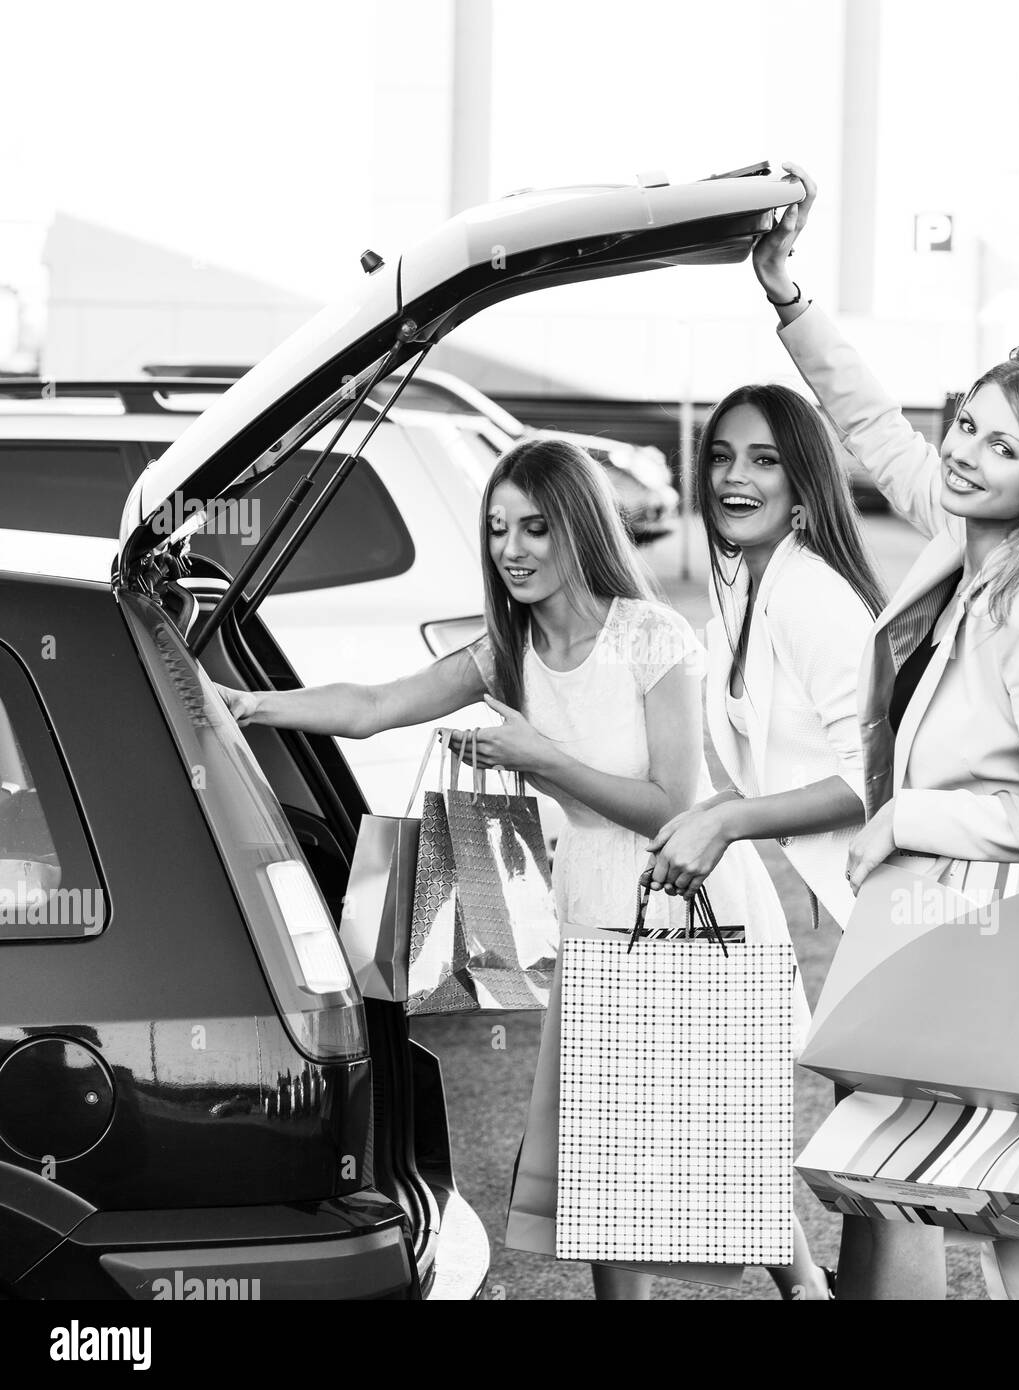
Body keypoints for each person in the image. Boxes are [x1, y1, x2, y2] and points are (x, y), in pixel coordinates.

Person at [733, 162, 1019, 1300]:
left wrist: (909, 816)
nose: (961, 453)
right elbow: (869, 424)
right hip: (965, 925)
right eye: (965, 426)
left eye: (1000, 448)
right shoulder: (966, 550)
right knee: (1006, 1205)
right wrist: (790, 300)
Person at [215, 435, 820, 1301]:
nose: (512, 549)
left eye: (534, 527)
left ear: (579, 526)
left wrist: (539, 756)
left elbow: (672, 807)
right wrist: (248, 704)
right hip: (593, 902)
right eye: (498, 529)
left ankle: (805, 1288)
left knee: (706, 1132)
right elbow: (375, 706)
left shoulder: (649, 635)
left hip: (686, 899)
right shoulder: (510, 647)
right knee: (612, 1149)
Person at [643, 381, 947, 1297]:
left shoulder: (812, 596)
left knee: (895, 1155)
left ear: (805, 487)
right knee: (882, 1146)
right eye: (724, 455)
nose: (736, 475)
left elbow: (872, 779)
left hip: (909, 898)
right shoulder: (743, 590)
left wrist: (730, 821)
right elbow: (764, 760)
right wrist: (706, 814)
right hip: (869, 906)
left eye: (765, 459)